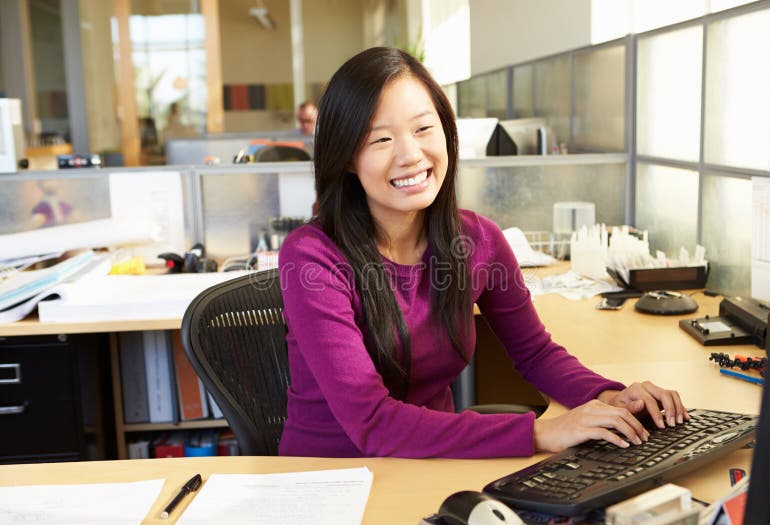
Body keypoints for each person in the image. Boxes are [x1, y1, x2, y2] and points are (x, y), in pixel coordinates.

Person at [278, 47, 688, 459]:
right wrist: (541, 433)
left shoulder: (478, 241)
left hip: (431, 464)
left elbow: (535, 352)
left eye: (423, 128)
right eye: (381, 139)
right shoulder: (312, 258)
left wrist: (611, 397)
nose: (410, 155)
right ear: (348, 157)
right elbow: (372, 423)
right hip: (328, 480)